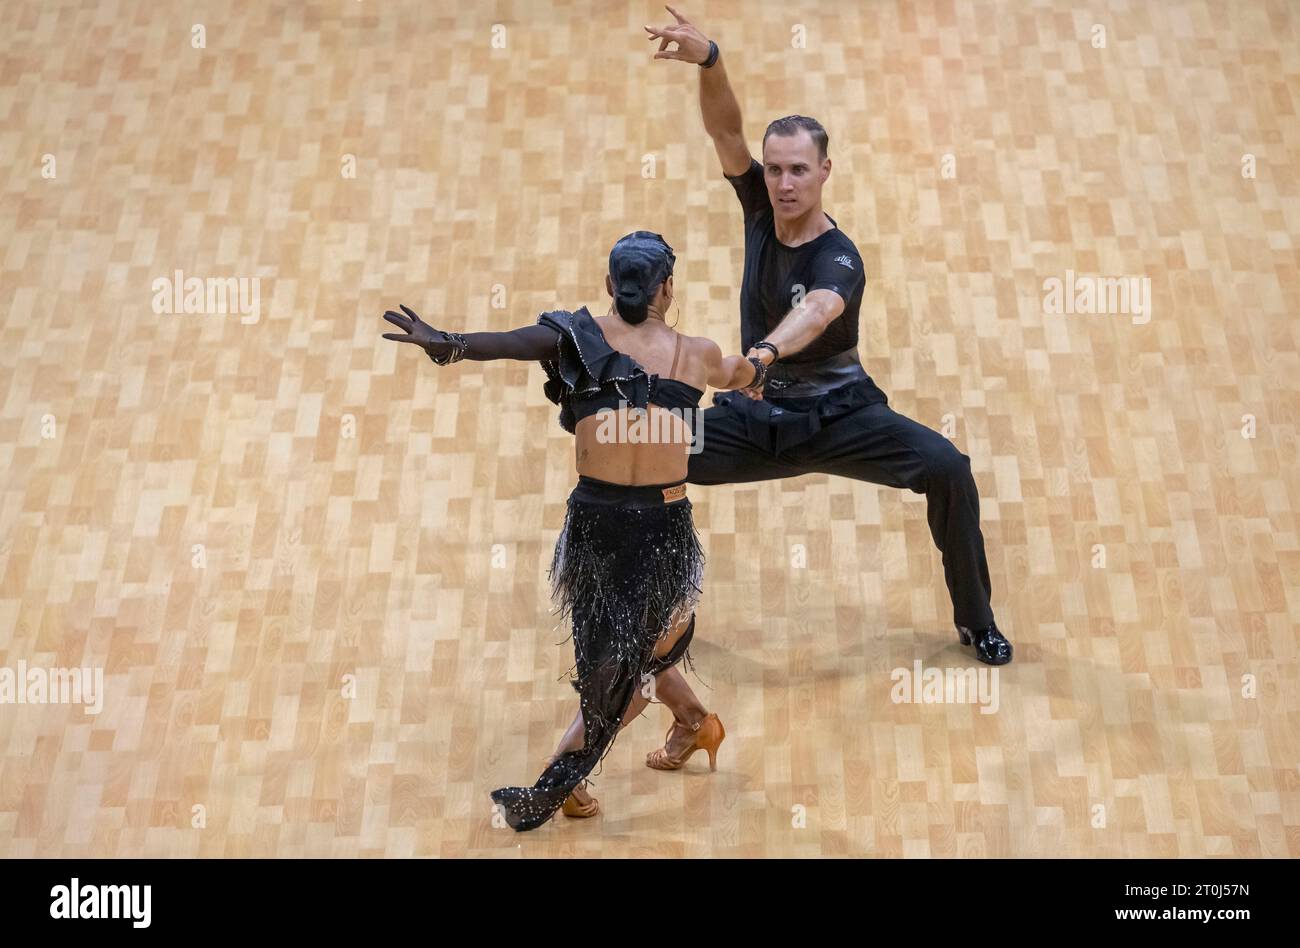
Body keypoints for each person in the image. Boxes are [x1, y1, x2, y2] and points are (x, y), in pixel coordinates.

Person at [643, 7, 1013, 664]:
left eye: (798, 171)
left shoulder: (838, 256)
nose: (783, 183)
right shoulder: (759, 203)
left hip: (841, 420)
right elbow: (725, 128)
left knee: (948, 469)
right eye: (776, 169)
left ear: (825, 172)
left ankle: (975, 619)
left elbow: (816, 311)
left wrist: (760, 354)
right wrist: (711, 60)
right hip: (753, 423)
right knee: (643, 461)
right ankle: (659, 619)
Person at [381, 232, 770, 831]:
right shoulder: (698, 352)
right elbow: (742, 373)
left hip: (602, 526)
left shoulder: (576, 337)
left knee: (624, 660)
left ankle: (561, 779)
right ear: (670, 287)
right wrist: (761, 372)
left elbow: (512, 343)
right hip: (648, 527)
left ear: (609, 285)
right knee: (625, 658)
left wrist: (451, 344)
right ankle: (693, 723)